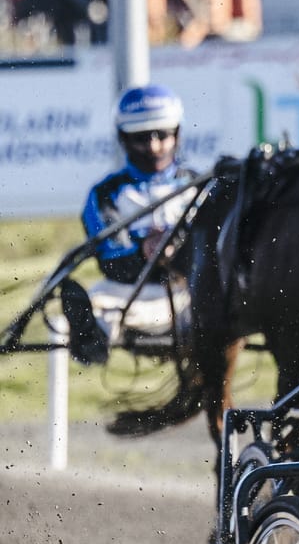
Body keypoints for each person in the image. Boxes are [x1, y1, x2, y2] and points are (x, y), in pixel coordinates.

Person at [67, 85, 201, 360]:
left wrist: (180, 251)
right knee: (96, 302)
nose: (153, 147)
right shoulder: (105, 194)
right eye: (141, 138)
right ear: (123, 138)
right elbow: (112, 263)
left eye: (161, 135)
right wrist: (145, 251)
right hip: (128, 295)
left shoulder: (201, 187)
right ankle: (91, 338)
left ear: (177, 134)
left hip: (190, 291)